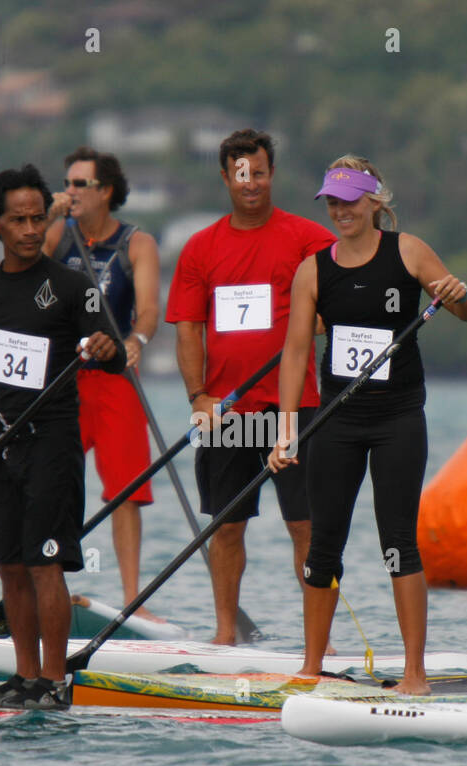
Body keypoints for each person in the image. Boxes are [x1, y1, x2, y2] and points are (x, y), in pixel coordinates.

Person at [267, 157, 467, 696]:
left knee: (398, 544)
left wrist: (460, 296)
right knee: (323, 548)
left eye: (351, 202)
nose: (341, 212)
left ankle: (414, 676)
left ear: (374, 203)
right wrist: (286, 430)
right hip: (336, 422)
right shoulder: (314, 269)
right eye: (332, 203)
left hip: (398, 421)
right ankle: (311, 667)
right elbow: (294, 355)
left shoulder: (407, 251)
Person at [0, 164, 123, 710]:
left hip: (53, 443)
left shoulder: (72, 287)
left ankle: (54, 681)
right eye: (17, 220)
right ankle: (24, 678)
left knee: (46, 562)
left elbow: (112, 350)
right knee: (10, 563)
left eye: (36, 218)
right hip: (4, 447)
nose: (28, 229)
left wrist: (105, 348)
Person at [166, 128, 334, 645]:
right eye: (241, 174)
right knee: (226, 525)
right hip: (226, 413)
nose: (251, 183)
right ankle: (224, 634)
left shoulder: (308, 238)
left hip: (293, 409)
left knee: (304, 526)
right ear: (225, 178)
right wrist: (198, 398)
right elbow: (189, 329)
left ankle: (318, 643)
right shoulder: (201, 248)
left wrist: (318, 321)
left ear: (272, 174)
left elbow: (341, 301)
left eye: (259, 172)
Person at [42, 146, 163, 620]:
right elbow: (18, 271)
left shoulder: (136, 243)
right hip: (64, 380)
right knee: (49, 485)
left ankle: (133, 598)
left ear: (105, 192)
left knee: (127, 490)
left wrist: (137, 339)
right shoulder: (55, 236)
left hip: (114, 378)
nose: (68, 191)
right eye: (66, 182)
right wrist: (50, 221)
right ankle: (47, 585)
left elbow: (151, 309)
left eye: (79, 184)